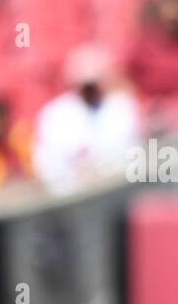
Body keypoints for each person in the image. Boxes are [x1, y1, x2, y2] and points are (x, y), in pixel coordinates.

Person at [33, 46, 141, 196]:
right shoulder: (55, 115)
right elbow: (48, 163)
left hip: (119, 189)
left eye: (95, 82)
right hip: (75, 196)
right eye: (86, 84)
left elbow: (131, 150)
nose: (91, 89)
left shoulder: (120, 105)